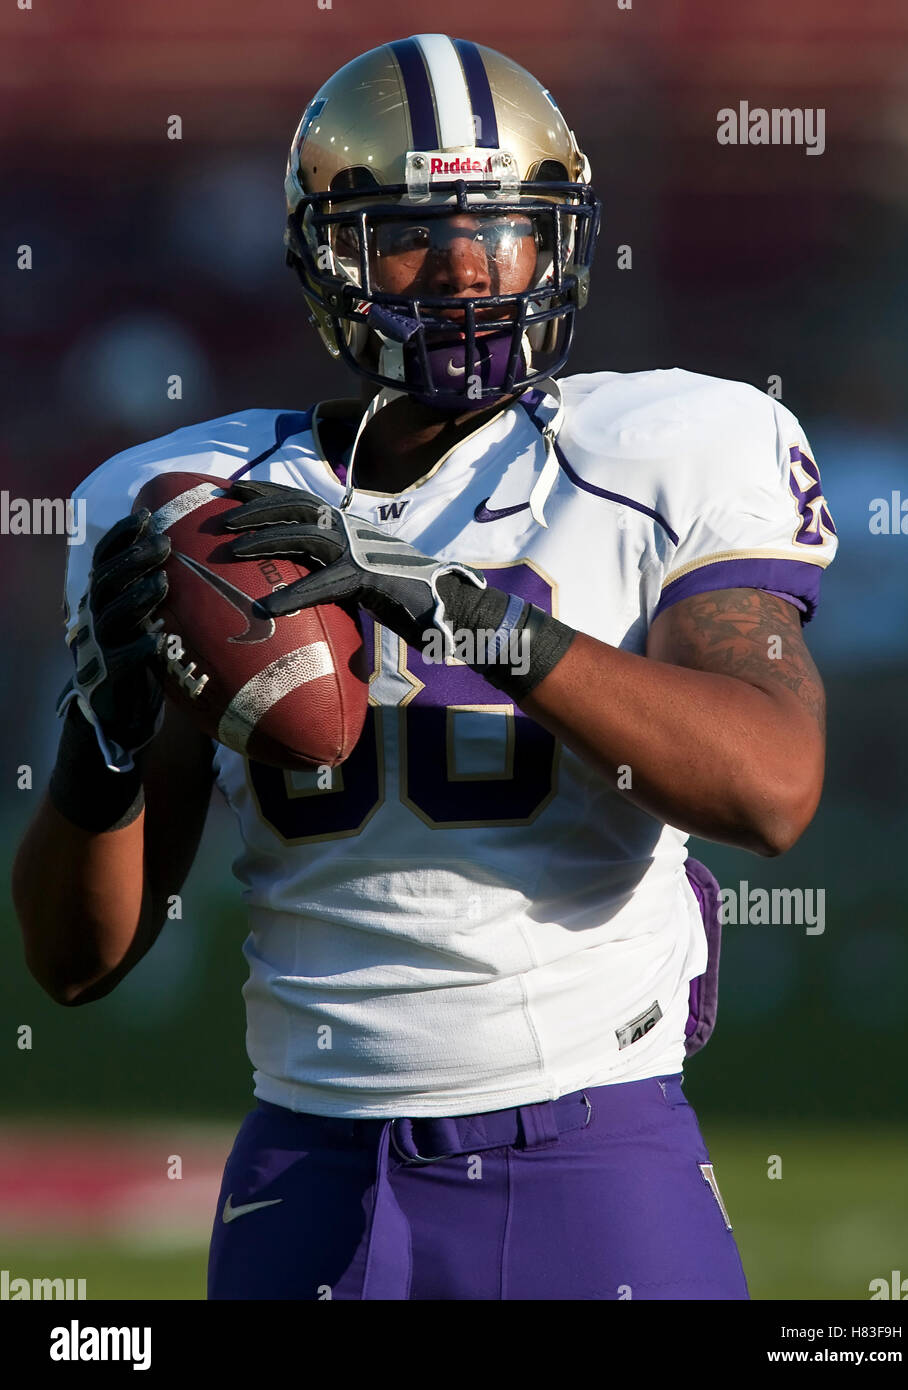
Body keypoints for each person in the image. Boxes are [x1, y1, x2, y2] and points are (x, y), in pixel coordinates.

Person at [13, 34, 837, 1300]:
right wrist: (106, 733)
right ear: (326, 257)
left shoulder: (661, 448)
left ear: (560, 239)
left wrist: (465, 615)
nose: (466, 271)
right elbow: (76, 962)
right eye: (411, 233)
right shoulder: (189, 507)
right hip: (306, 1164)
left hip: (587, 1154)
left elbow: (770, 788)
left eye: (505, 228)